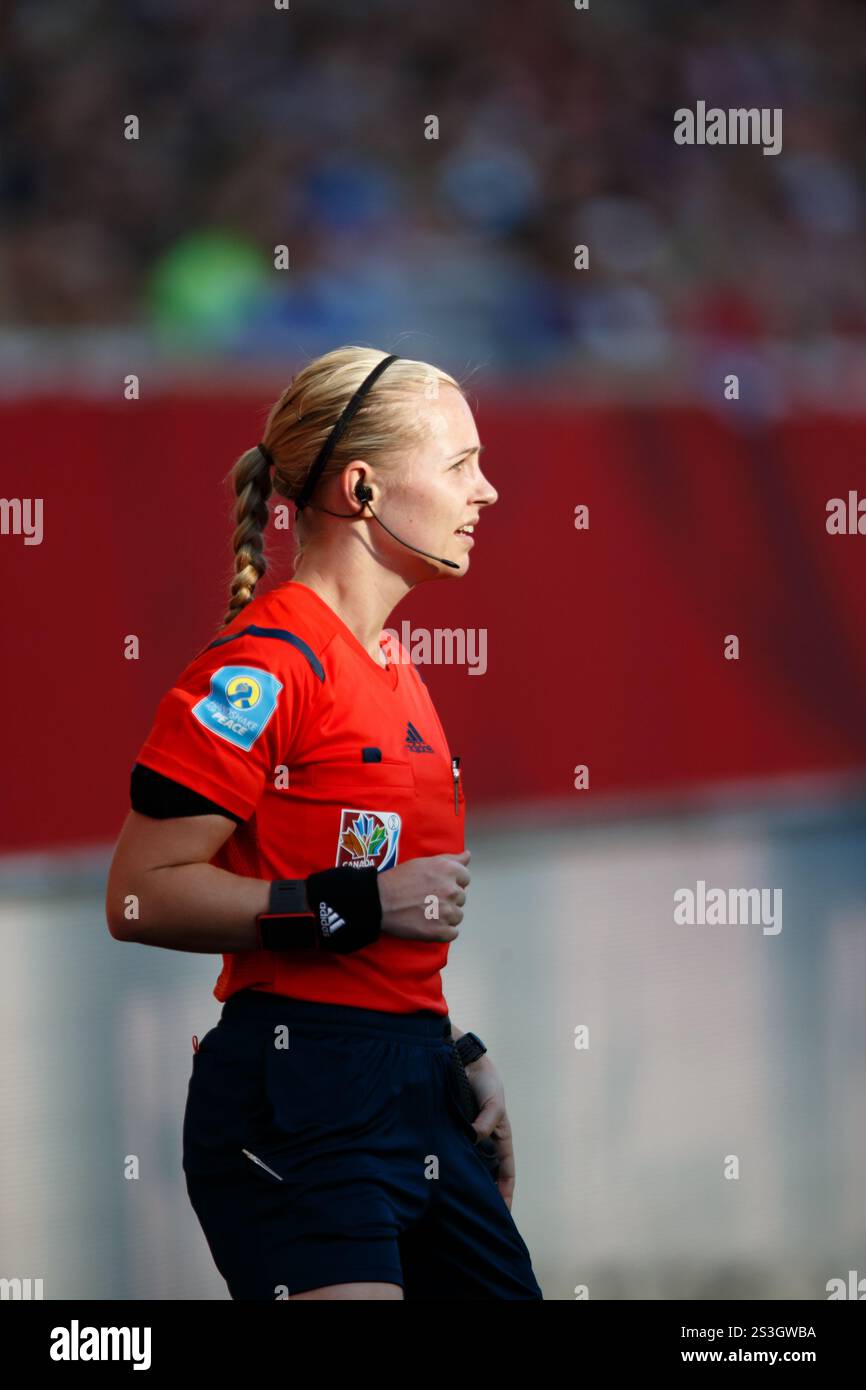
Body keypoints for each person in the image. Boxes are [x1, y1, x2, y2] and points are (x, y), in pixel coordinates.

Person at [105, 345, 543, 1300]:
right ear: (362, 488)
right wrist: (356, 903)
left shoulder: (394, 666)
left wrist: (453, 1057)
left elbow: (384, 929)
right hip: (295, 1096)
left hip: (416, 1086)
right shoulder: (262, 667)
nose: (490, 491)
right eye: (461, 465)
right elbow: (140, 895)